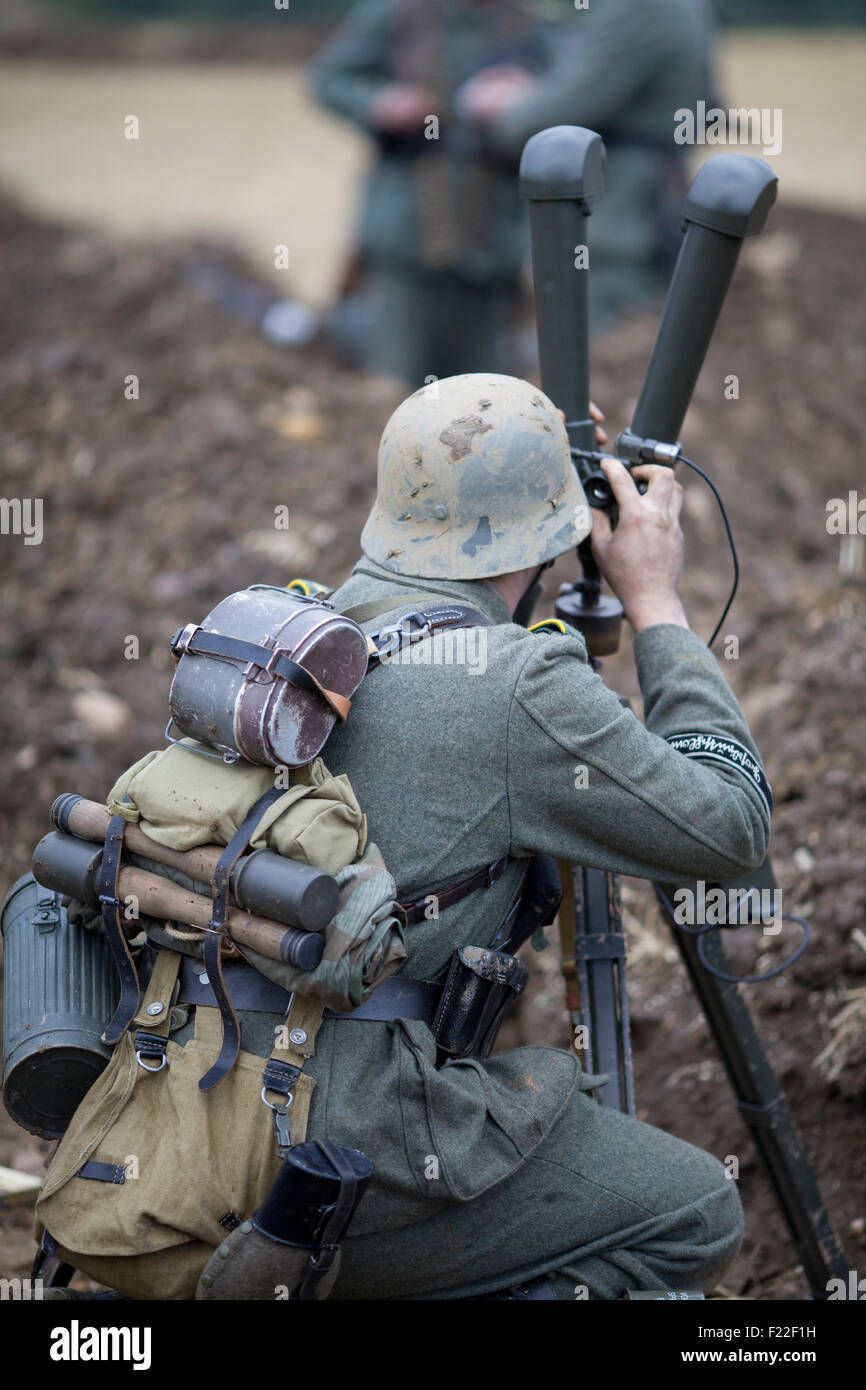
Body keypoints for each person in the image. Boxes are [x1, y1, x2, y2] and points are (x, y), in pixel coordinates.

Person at [288, 370, 768, 1299]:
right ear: (554, 531)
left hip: (193, 1103)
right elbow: (730, 827)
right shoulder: (515, 685)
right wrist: (656, 603)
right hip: (334, 1159)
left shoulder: (301, 625)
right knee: (695, 1211)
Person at [310, 0, 560, 385]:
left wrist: (527, 96)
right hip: (407, 233)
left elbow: (574, 93)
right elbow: (329, 79)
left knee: (488, 390)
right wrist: (380, 102)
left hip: (495, 238)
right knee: (394, 381)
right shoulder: (395, 13)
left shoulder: (533, 24)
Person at [459, 0, 717, 329]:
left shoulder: (640, 8)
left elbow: (554, 110)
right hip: (642, 209)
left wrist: (501, 105)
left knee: (599, 343)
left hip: (613, 224)